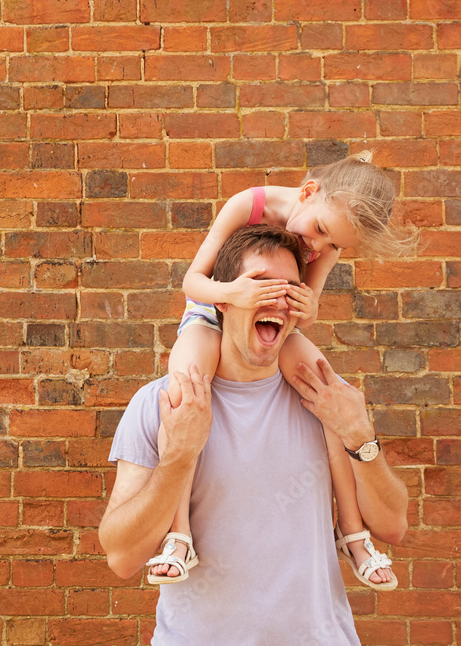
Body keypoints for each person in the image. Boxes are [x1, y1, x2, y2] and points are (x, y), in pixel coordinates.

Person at [98, 224, 409, 645]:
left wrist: (360, 438)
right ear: (222, 300)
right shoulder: (163, 404)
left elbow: (392, 527)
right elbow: (121, 557)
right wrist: (178, 458)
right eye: (260, 283)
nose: (275, 300)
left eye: (290, 289)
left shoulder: (328, 401)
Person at [153, 152, 415, 588]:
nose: (318, 247)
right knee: (183, 388)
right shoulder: (248, 205)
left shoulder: (328, 242)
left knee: (328, 389)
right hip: (212, 309)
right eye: (320, 232)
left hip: (272, 318)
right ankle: (178, 534)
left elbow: (306, 313)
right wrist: (234, 292)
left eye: (334, 245)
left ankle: (352, 533)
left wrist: (308, 305)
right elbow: (193, 281)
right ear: (308, 194)